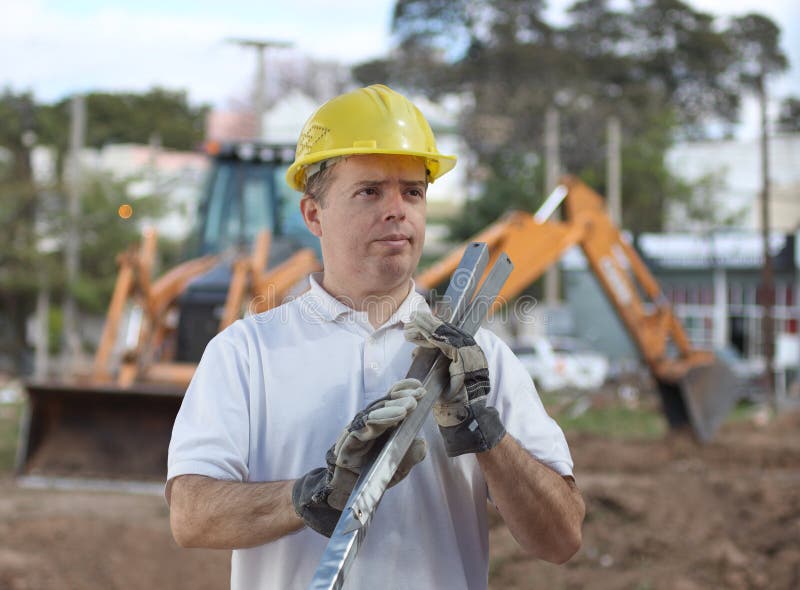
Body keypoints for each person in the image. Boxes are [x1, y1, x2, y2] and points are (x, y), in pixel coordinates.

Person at [166, 84, 584, 590]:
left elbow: (561, 539)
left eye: (413, 191)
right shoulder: (248, 352)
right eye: (370, 191)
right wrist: (314, 493)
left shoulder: (477, 359)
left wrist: (483, 432)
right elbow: (191, 516)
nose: (398, 209)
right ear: (313, 215)